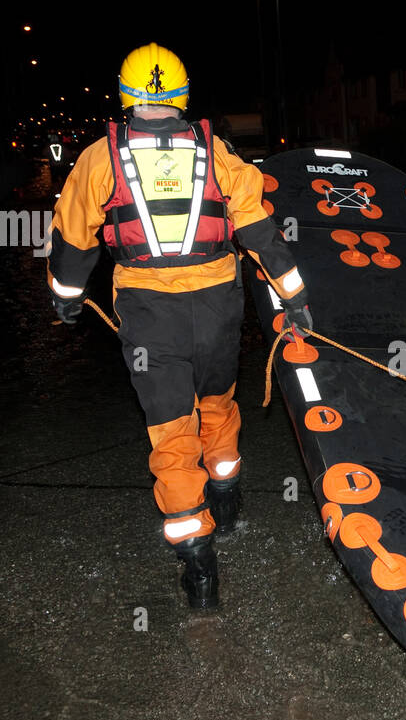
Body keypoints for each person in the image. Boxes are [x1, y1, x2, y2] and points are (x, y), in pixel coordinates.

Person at [45, 43, 313, 608]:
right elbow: (261, 231)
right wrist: (295, 298)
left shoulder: (101, 158)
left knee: (172, 433)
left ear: (126, 94)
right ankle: (228, 499)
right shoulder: (216, 154)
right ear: (183, 93)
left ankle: (200, 571)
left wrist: (66, 298)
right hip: (218, 305)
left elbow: (73, 235)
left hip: (148, 314)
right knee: (217, 402)